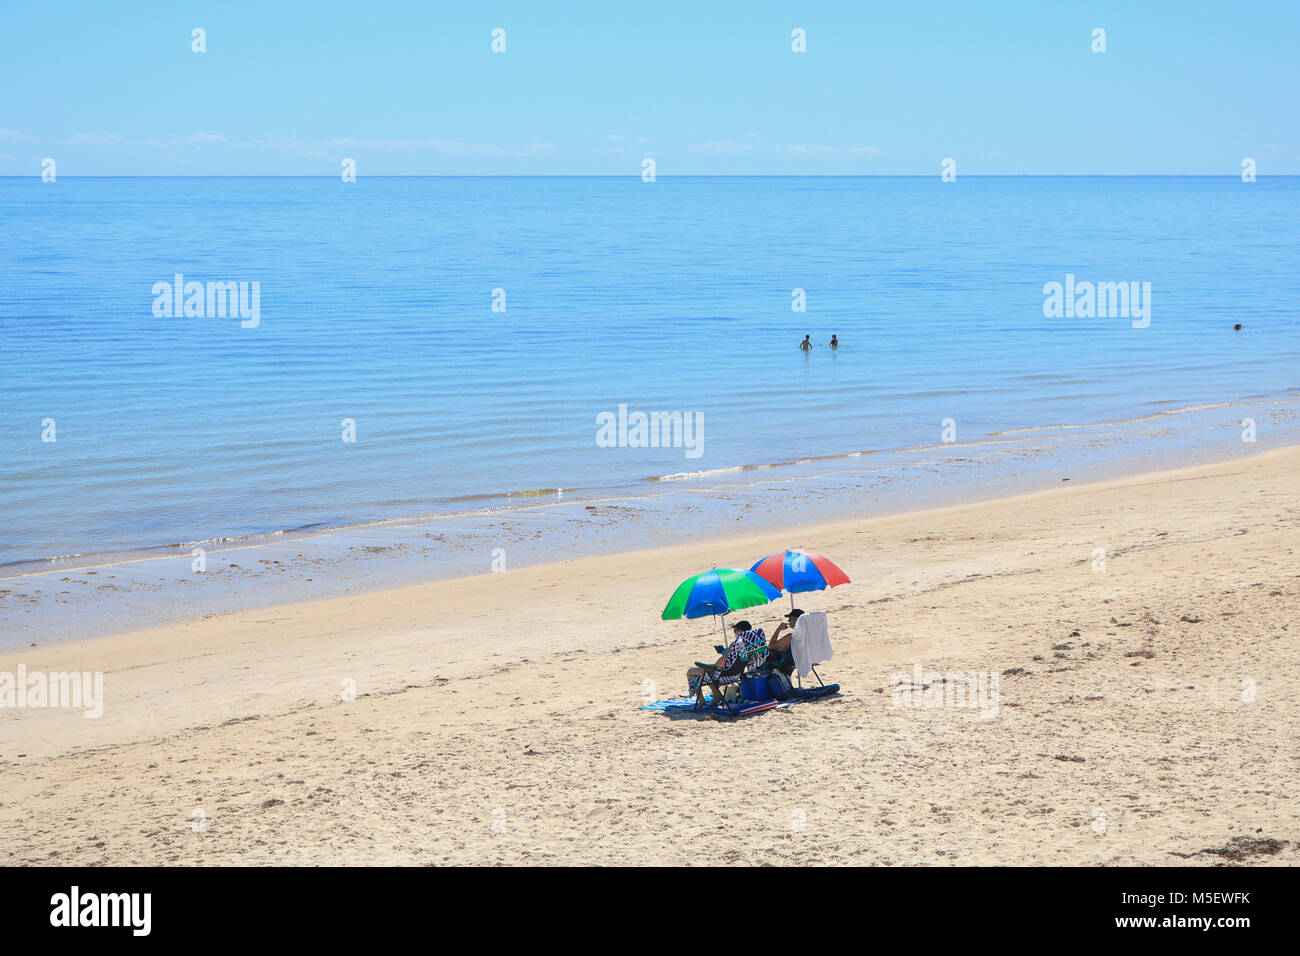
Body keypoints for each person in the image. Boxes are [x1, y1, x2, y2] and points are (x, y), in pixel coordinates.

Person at [687, 620, 766, 709]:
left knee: (691, 672)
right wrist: (723, 651)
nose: (734, 633)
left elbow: (722, 661)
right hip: (737, 675)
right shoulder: (750, 647)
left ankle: (703, 699)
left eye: (735, 630)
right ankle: (716, 694)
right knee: (707, 671)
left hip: (724, 676)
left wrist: (714, 666)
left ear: (740, 631)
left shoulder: (735, 645)